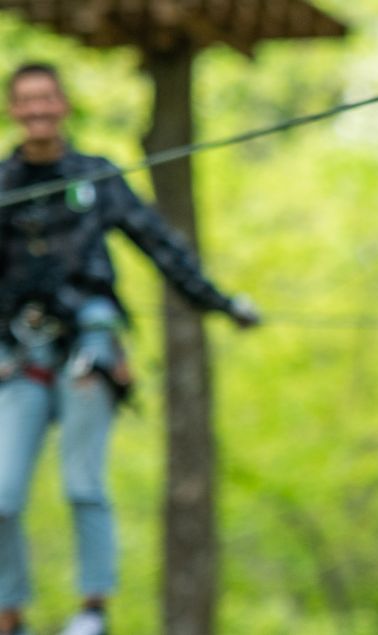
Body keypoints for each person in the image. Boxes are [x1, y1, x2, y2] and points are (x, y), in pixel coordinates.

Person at [0, 62, 259, 635]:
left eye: (48, 98)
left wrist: (220, 303)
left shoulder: (96, 179)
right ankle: (8, 613)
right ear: (14, 110)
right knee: (2, 494)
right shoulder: (2, 185)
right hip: (20, 353)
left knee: (82, 482)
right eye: (27, 101)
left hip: (88, 349)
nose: (39, 110)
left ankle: (92, 612)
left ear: (63, 105)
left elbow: (160, 244)